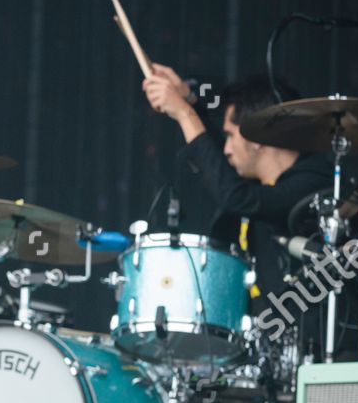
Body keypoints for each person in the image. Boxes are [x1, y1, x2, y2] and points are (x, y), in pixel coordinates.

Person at [141, 64, 334, 341]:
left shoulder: (312, 183)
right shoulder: (259, 182)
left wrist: (185, 113)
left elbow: (236, 197)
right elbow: (219, 165)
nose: (226, 149)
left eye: (231, 136)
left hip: (312, 352)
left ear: (257, 138)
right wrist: (191, 97)